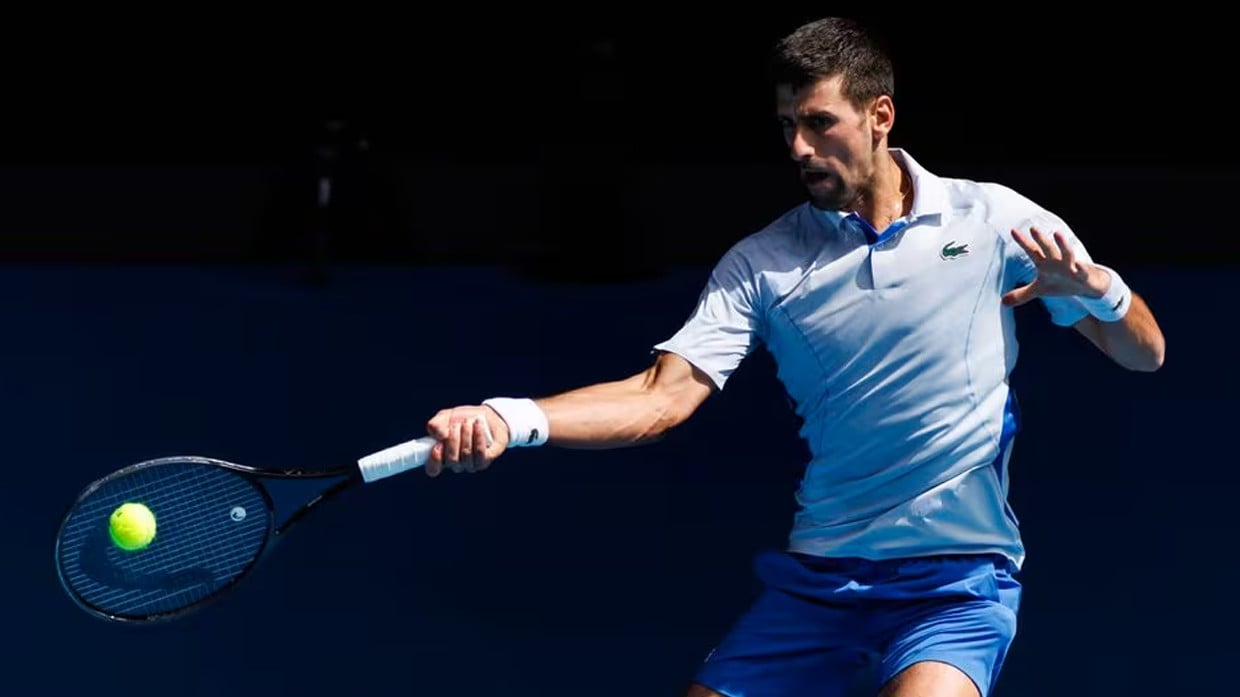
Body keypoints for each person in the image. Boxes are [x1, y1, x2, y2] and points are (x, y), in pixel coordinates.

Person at [419, 16, 1166, 697]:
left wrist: (1099, 293)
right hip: (819, 583)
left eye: (818, 122)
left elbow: (1146, 354)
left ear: (880, 117)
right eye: (786, 126)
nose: (799, 148)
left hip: (958, 580)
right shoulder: (765, 262)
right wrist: (508, 417)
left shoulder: (994, 218)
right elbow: (657, 397)